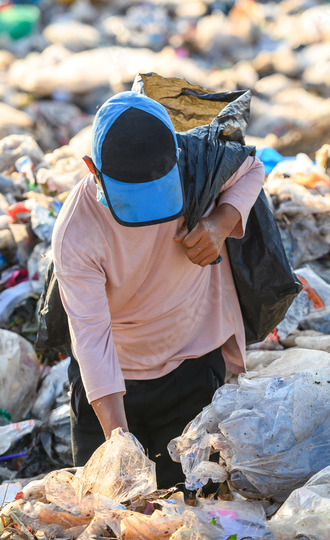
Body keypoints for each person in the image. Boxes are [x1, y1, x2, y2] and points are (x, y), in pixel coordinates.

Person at [52, 91, 265, 488]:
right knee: (112, 518)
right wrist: (117, 440)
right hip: (111, 387)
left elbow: (251, 167)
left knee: (191, 509)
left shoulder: (199, 167)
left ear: (178, 154)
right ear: (92, 170)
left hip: (191, 368)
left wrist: (220, 223)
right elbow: (91, 339)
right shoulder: (76, 233)